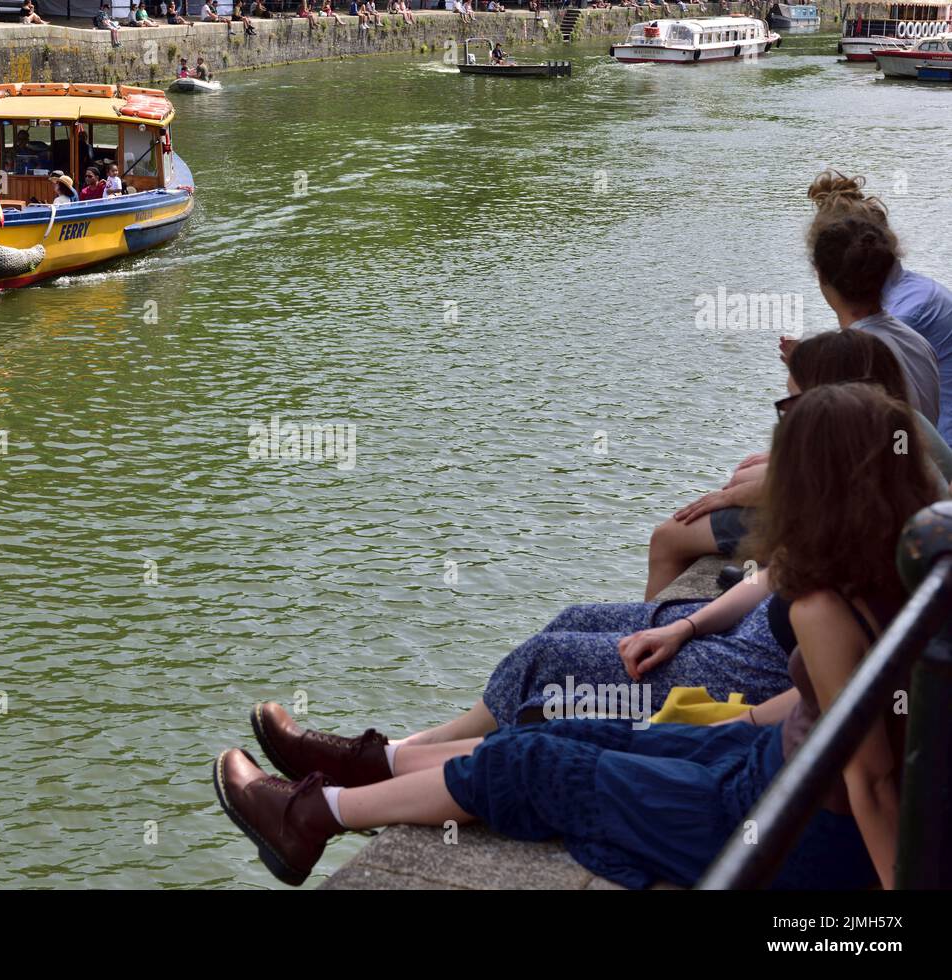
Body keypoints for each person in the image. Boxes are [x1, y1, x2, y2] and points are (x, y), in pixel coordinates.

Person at [215, 382, 942, 889]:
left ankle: (313, 815)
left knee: (536, 764)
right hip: (767, 764)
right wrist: (740, 718)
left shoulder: (823, 600)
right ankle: (361, 774)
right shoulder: (902, 566)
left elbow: (873, 777)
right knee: (579, 727)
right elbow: (842, 706)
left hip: (789, 825)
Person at [645, 205, 944, 600]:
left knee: (668, 536)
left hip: (860, 516)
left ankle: (654, 632)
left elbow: (821, 476)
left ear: (821, 277)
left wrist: (728, 496)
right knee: (751, 470)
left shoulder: (855, 356)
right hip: (895, 498)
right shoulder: (910, 337)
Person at [809, 170, 952, 446]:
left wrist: (807, 375)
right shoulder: (909, 300)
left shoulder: (907, 311)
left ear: (823, 270)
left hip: (937, 457)